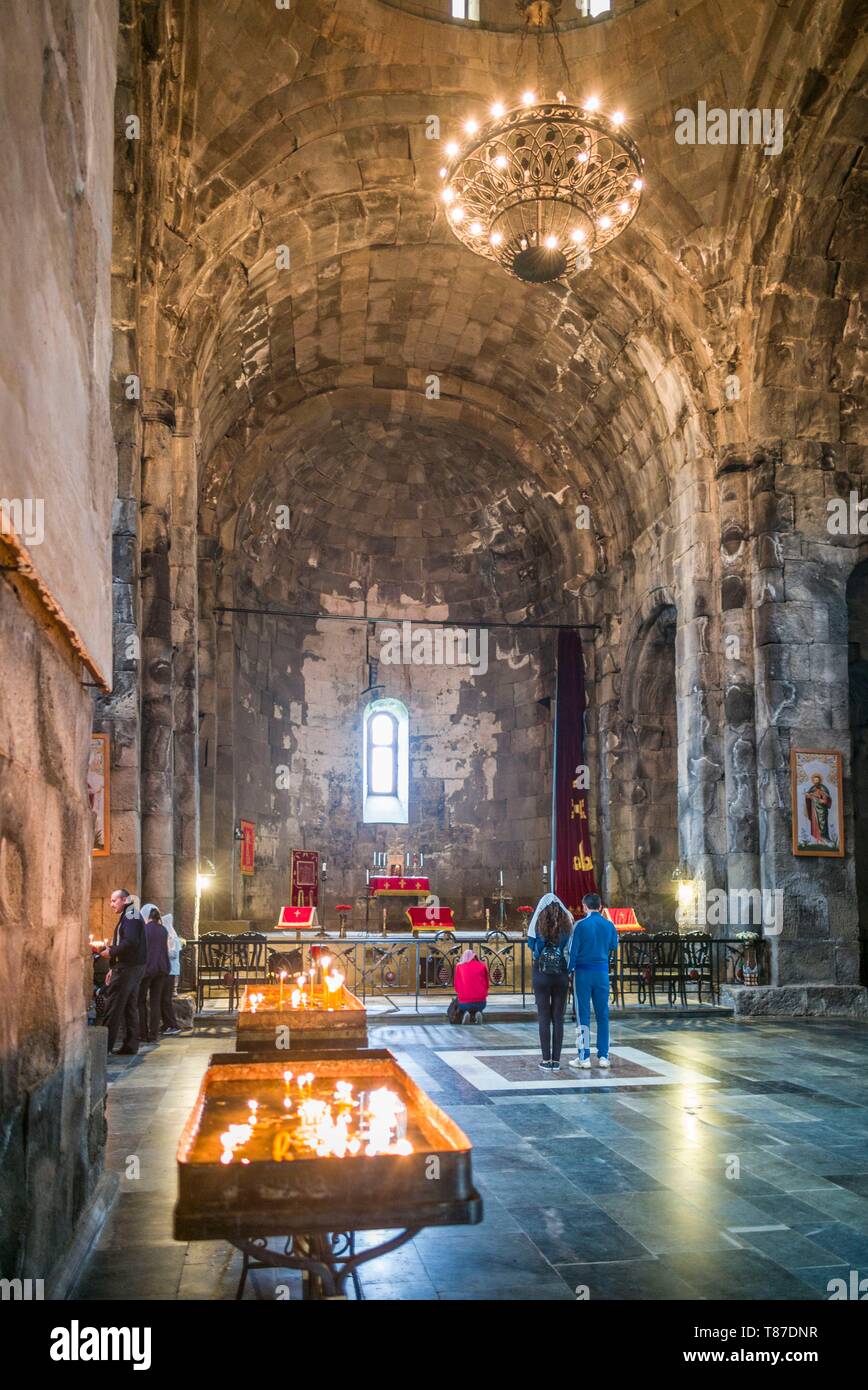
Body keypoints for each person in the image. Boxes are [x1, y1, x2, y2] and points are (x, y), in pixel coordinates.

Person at [568, 892, 620, 1070]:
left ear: (584, 907)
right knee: (603, 1014)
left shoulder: (580, 925)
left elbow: (572, 951)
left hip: (583, 973)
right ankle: (604, 1056)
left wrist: (568, 970)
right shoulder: (609, 925)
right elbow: (614, 945)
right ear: (600, 906)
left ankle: (584, 1057)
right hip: (602, 973)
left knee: (583, 1015)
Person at [101, 889, 147, 1055]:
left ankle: (103, 1048)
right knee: (129, 1006)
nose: (111, 904)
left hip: (128, 968)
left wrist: (111, 952)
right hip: (130, 967)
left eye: (114, 900)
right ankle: (130, 1044)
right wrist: (112, 966)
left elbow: (130, 942)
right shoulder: (130, 914)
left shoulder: (131, 915)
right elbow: (127, 941)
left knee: (113, 1006)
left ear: (125, 900)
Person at [530, 898, 573, 1071]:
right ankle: (556, 1060)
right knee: (558, 1018)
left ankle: (546, 1060)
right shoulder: (566, 929)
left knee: (543, 1017)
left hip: (541, 974)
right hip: (560, 974)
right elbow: (569, 947)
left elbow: (533, 947)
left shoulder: (539, 927)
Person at [138, 905, 171, 1045]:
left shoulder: (144, 929)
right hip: (161, 969)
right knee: (155, 1001)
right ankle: (154, 1034)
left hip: (147, 969)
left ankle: (143, 1033)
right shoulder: (163, 930)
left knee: (140, 1001)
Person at [453, 948, 489, 1024]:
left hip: (464, 1003)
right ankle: (477, 1013)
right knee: (477, 1004)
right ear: (475, 956)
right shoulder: (482, 965)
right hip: (481, 1003)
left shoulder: (459, 966)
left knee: (460, 1002)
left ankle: (465, 1014)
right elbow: (487, 984)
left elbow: (456, 985)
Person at [161, 912, 183, 1034]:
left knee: (166, 999)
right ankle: (167, 1024)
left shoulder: (172, 937)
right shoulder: (168, 936)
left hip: (170, 971)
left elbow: (173, 954)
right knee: (163, 998)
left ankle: (173, 1025)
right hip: (167, 970)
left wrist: (162, 950)